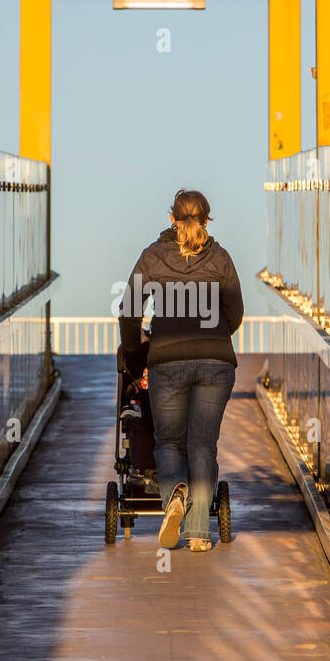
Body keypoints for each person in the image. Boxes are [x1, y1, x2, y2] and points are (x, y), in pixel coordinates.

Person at [118, 189, 244, 552]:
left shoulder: (153, 257)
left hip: (167, 360)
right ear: (207, 221)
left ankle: (174, 494)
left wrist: (133, 348)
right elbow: (234, 312)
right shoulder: (220, 258)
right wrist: (215, 337)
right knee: (203, 445)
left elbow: (129, 309)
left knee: (169, 442)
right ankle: (200, 533)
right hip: (216, 363)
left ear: (171, 219)